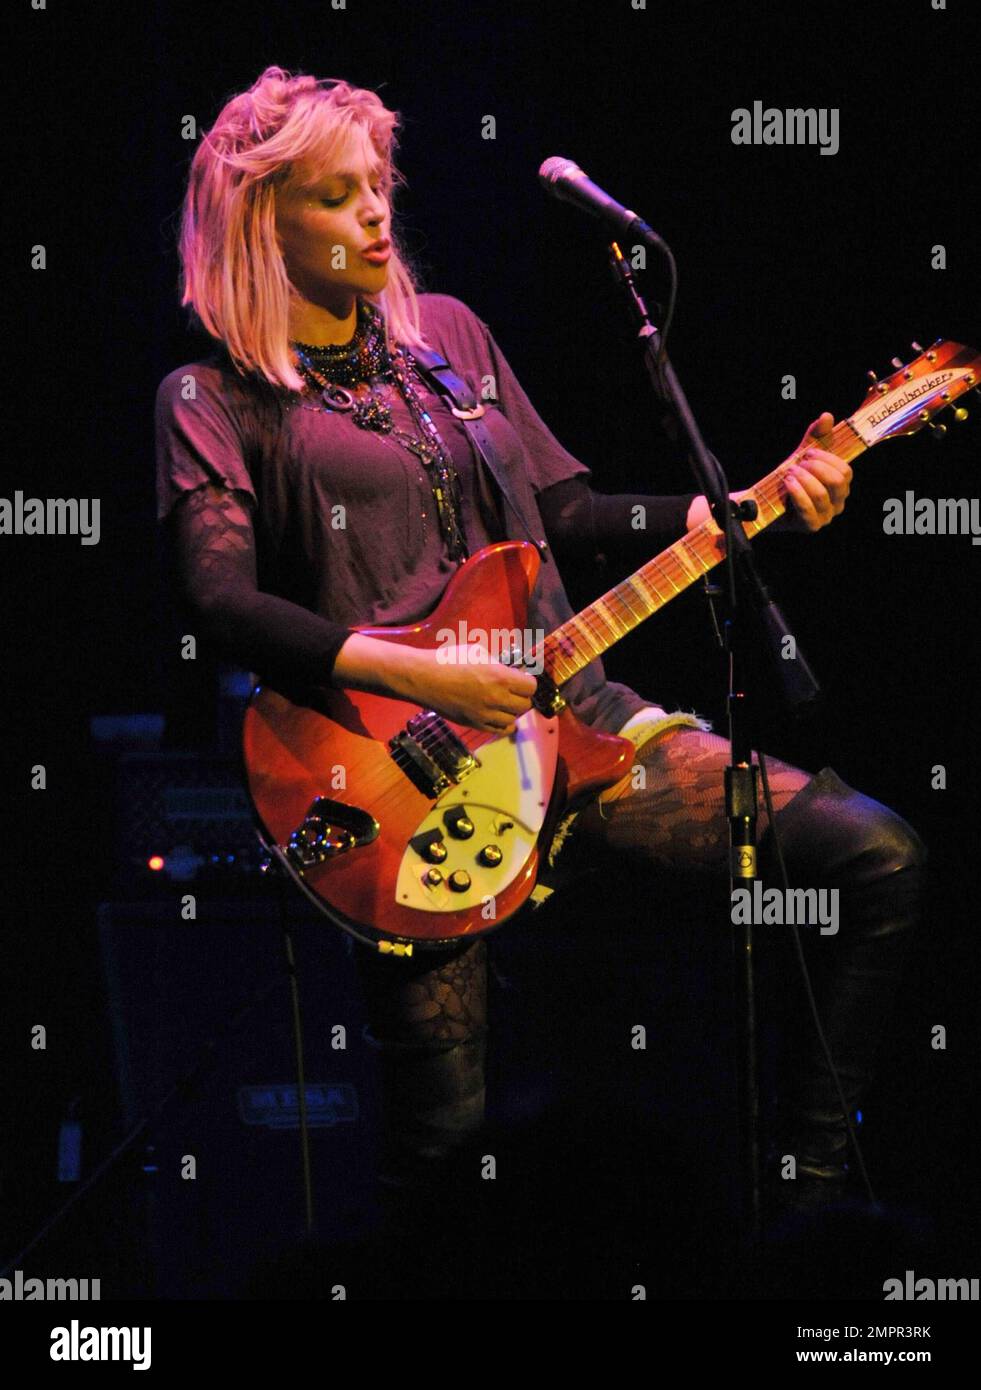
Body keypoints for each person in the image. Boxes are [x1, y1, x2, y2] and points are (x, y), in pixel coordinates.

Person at [155, 65, 926, 1221]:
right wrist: (421, 670)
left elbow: (568, 513)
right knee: (446, 1146)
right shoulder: (211, 396)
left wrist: (752, 497)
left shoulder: (450, 337)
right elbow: (219, 602)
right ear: (263, 221)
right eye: (338, 194)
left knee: (880, 859)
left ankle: (811, 1213)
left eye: (381, 185)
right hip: (404, 783)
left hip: (582, 725)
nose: (378, 212)